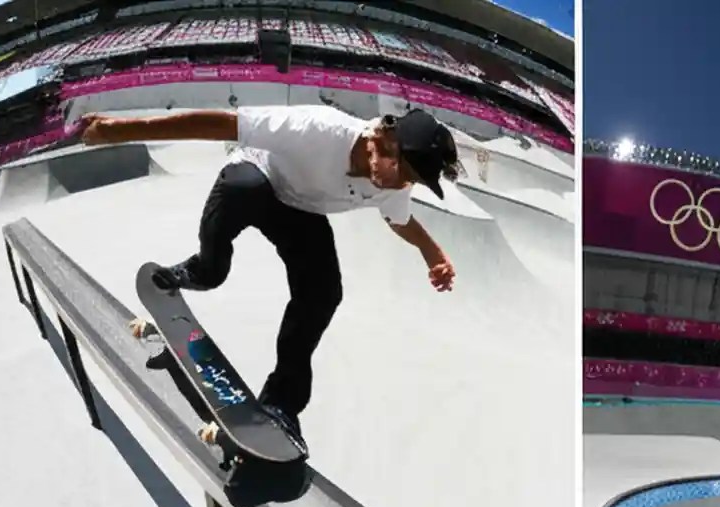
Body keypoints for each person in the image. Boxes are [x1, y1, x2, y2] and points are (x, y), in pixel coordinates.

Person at [79, 104, 460, 444]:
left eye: (409, 179)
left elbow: (400, 219)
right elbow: (222, 124)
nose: (397, 182)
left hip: (298, 210)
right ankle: (200, 269)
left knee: (324, 293)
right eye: (401, 170)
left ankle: (281, 405)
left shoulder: (395, 183)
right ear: (383, 136)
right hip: (256, 174)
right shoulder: (317, 128)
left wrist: (434, 254)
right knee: (234, 218)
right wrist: (120, 131)